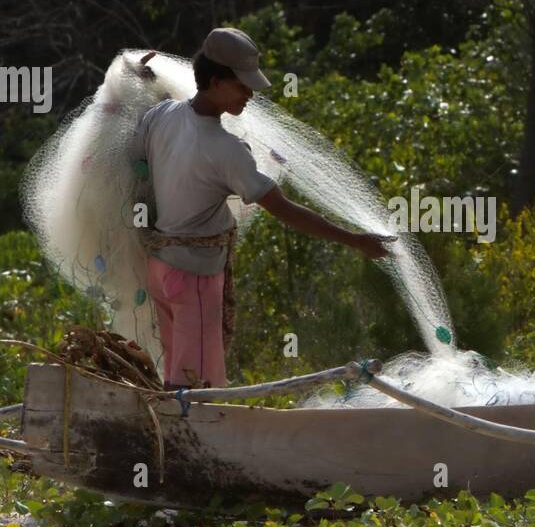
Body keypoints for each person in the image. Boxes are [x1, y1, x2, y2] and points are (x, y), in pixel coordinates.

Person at [128, 26, 395, 389]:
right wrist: (354, 240)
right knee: (195, 389)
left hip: (161, 271)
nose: (250, 95)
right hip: (193, 277)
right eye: (242, 86)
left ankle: (170, 438)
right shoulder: (226, 149)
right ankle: (187, 443)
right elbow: (284, 209)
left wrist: (141, 79)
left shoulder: (162, 115)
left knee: (177, 373)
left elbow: (138, 150)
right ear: (217, 81)